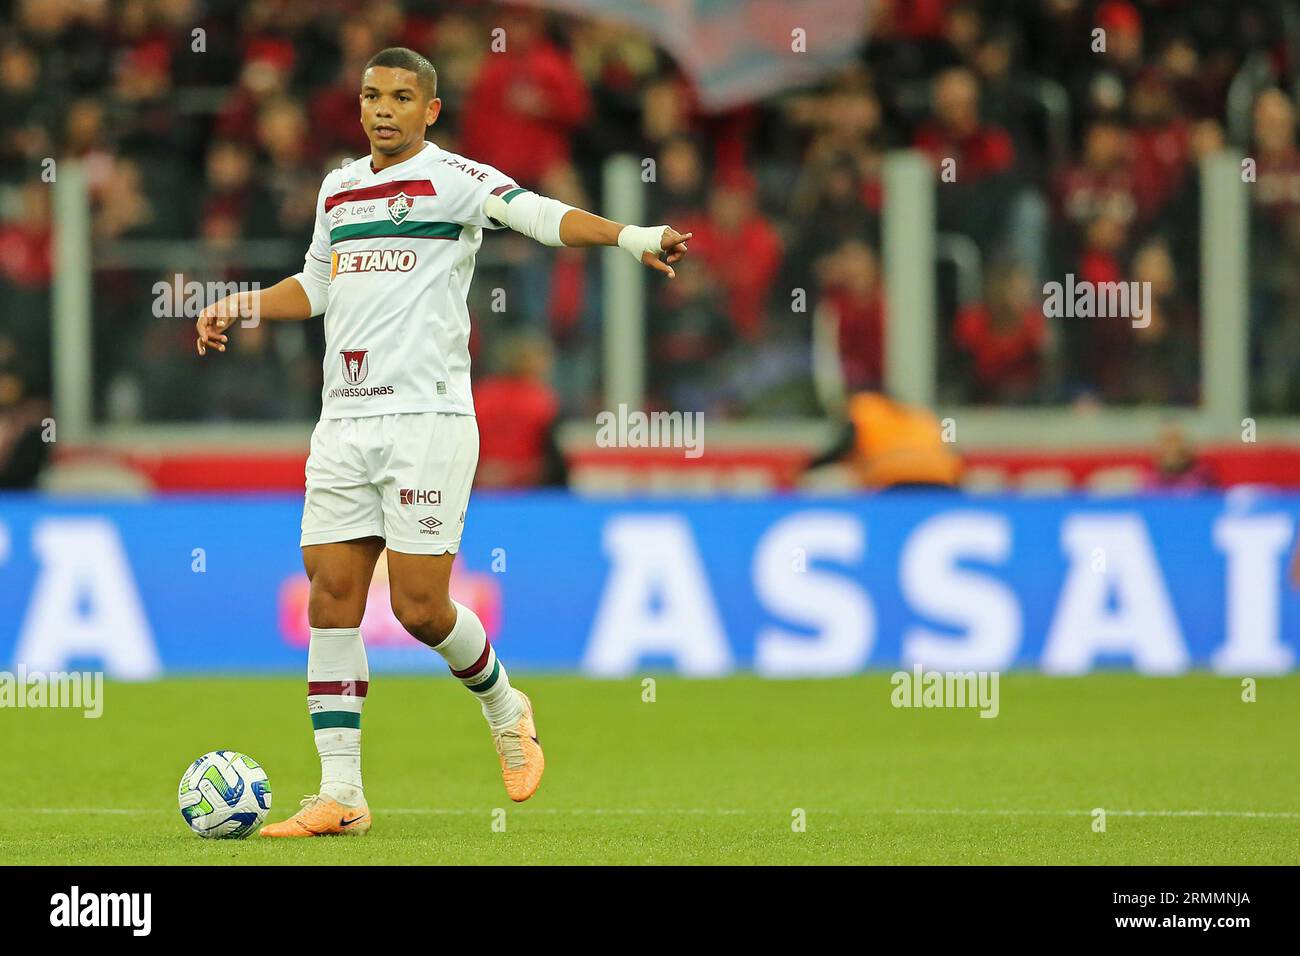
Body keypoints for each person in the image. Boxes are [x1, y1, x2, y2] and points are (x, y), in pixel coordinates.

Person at [195, 47, 691, 837]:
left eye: (399, 97)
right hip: (344, 420)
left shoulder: (456, 178)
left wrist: (632, 237)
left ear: (429, 110)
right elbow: (317, 286)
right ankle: (342, 796)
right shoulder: (339, 188)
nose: (381, 109)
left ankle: (503, 703)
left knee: (420, 609)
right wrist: (243, 303)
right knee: (331, 597)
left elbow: (538, 214)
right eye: (369, 95)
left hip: (427, 421)